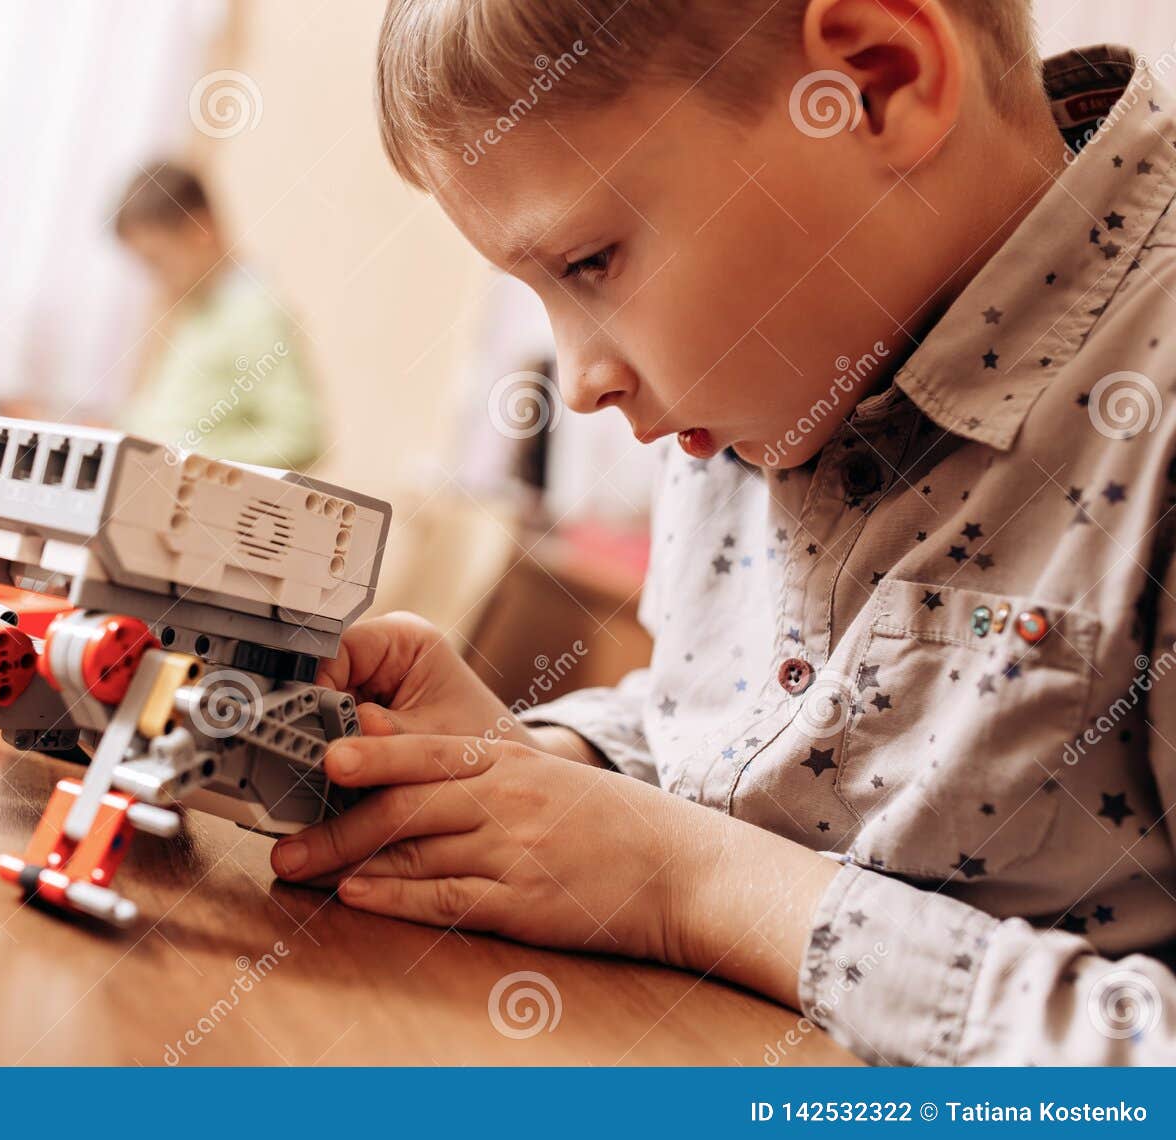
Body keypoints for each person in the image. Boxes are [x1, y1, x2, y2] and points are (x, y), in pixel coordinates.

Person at [269, 0, 1176, 1065]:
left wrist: (683, 881)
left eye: (592, 262)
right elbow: (757, 745)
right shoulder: (779, 361)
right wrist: (531, 770)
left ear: (876, 81)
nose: (582, 380)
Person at [111, 161, 323, 470]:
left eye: (157, 260)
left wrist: (187, 455)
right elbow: (176, 412)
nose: (155, 279)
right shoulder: (195, 309)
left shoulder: (255, 313)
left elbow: (301, 436)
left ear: (201, 231)